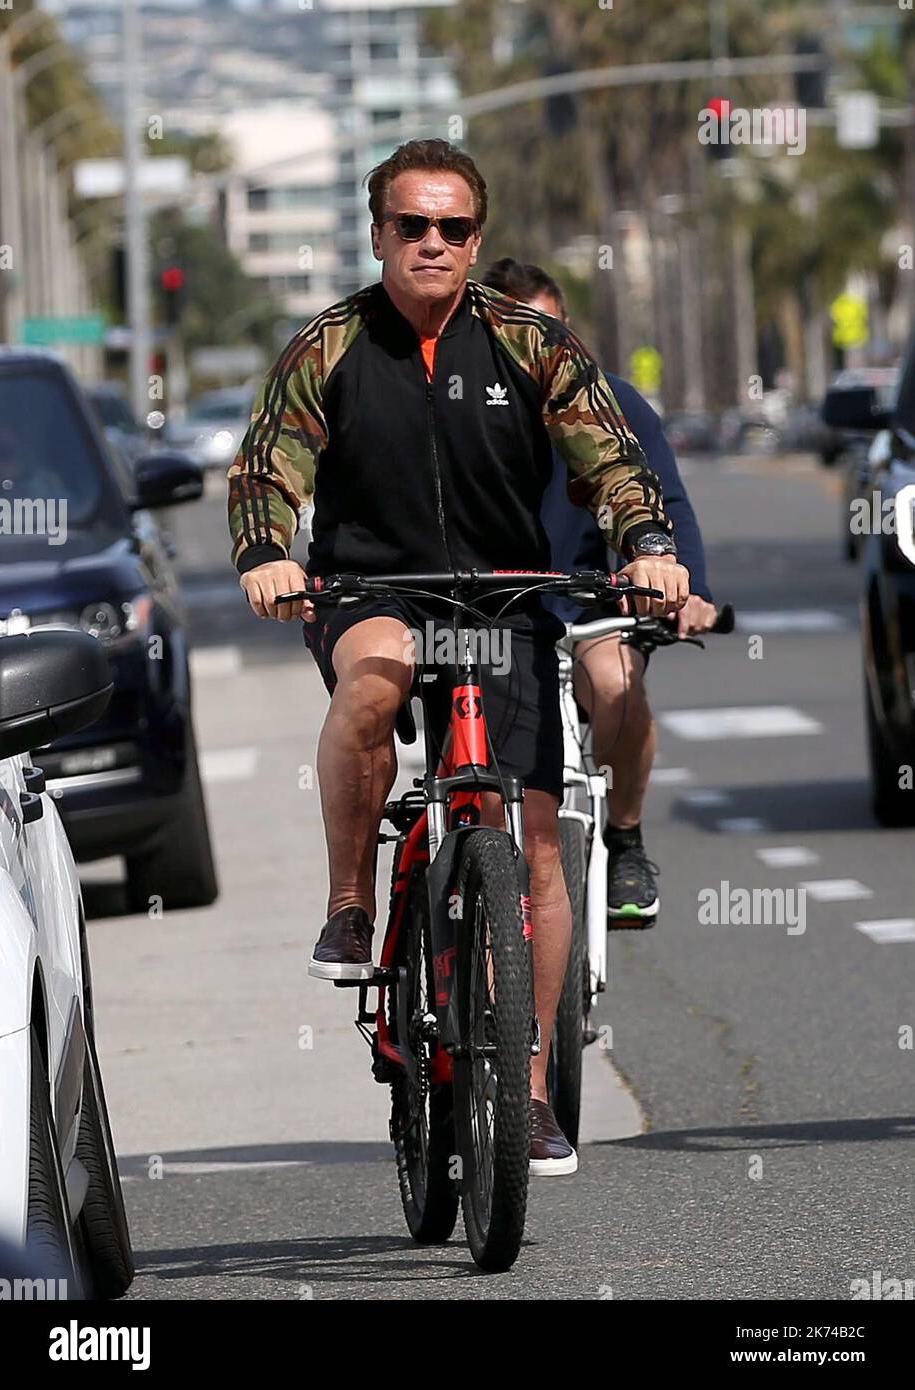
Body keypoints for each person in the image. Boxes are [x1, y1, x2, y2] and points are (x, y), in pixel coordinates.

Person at [228, 139, 689, 1173]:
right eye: (411, 226)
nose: (432, 244)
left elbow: (609, 458)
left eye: (454, 228)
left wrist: (646, 546)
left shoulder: (530, 343)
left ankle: (527, 1090)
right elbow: (270, 467)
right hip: (370, 591)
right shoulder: (327, 344)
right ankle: (351, 903)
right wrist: (266, 553)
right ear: (378, 231)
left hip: (499, 598)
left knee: (531, 837)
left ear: (476, 238)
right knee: (376, 676)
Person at [482, 259, 716, 927]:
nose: (538, 351)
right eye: (516, 334)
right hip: (486, 613)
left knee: (616, 684)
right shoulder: (457, 409)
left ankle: (627, 839)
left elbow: (665, 502)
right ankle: (467, 875)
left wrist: (685, 590)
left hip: (584, 603)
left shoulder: (609, 401)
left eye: (551, 332)